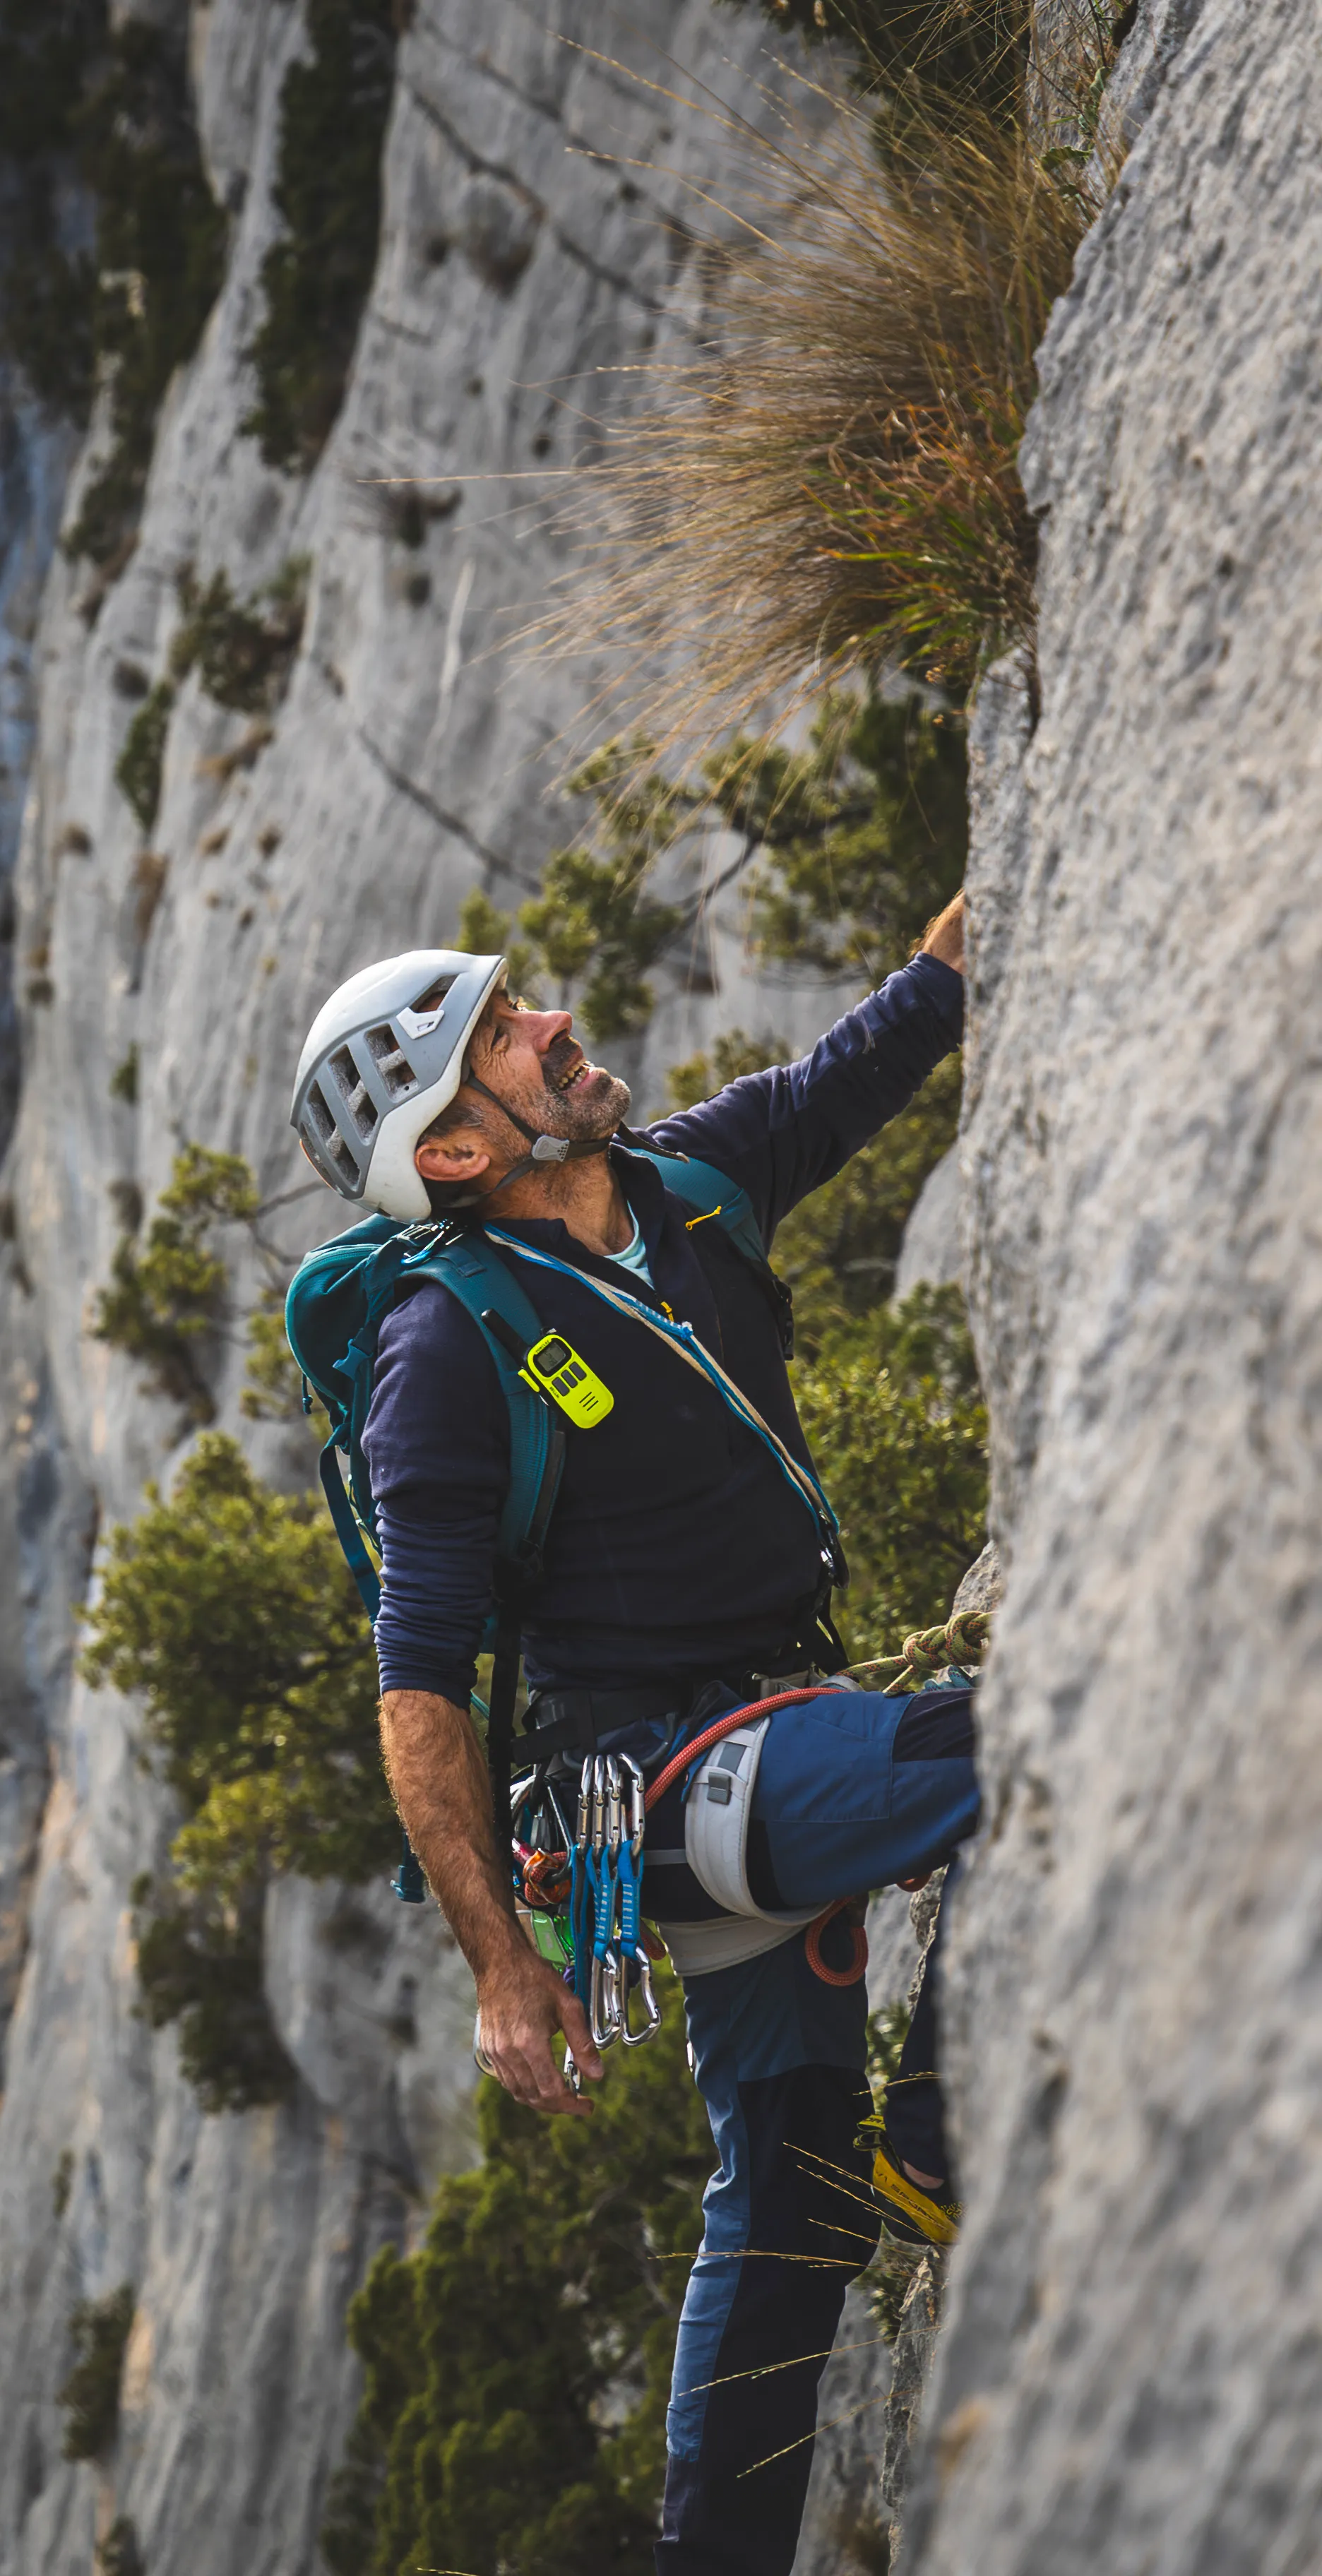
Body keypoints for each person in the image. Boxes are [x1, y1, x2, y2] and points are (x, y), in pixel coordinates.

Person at [283, 902, 979, 2576]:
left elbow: (875, 1050)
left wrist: (988, 876)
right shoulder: (445, 1353)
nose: (556, 1024)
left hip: (772, 1731)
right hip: (653, 1795)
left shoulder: (685, 1179)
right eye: (509, 1032)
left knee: (796, 2184)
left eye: (520, 1002)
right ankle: (952, 2133)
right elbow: (419, 1683)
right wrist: (501, 1967)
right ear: (453, 1147)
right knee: (1022, 1743)